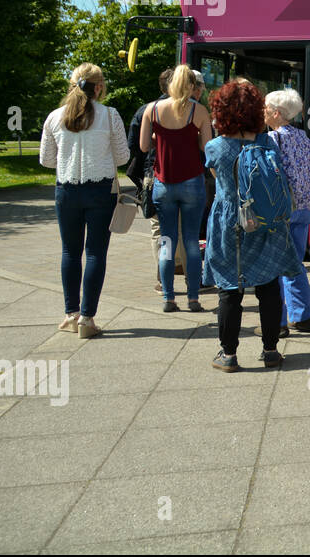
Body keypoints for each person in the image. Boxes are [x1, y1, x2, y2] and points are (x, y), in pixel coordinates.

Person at [203, 80, 300, 371]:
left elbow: (218, 180)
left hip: (231, 222)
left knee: (230, 289)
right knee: (269, 285)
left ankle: (228, 355)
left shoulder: (215, 147)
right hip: (266, 221)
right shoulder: (266, 142)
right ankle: (271, 351)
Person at [39, 63, 130, 338]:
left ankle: (70, 314)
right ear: (99, 87)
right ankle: (88, 319)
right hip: (101, 190)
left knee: (70, 252)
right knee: (95, 253)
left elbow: (46, 160)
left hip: (66, 191)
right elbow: (123, 157)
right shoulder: (109, 115)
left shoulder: (55, 117)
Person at [139, 65, 212, 312]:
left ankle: (168, 298)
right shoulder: (199, 111)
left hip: (164, 182)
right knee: (191, 242)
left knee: (167, 241)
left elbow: (142, 146)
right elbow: (207, 148)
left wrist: (160, 140)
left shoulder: (153, 109)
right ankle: (193, 298)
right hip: (192, 182)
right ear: (192, 86)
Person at [265, 89, 310, 335]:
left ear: (277, 113)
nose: (263, 112)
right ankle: (303, 317)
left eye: (266, 108)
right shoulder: (303, 137)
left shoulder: (272, 139)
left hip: (282, 211)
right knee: (295, 264)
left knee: (276, 265)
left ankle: (278, 321)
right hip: (304, 208)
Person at [127, 68, 180, 292]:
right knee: (184, 228)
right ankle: (191, 280)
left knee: (159, 229)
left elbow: (133, 148)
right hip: (184, 177)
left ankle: (162, 277)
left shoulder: (145, 110)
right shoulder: (189, 109)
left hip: (154, 175)